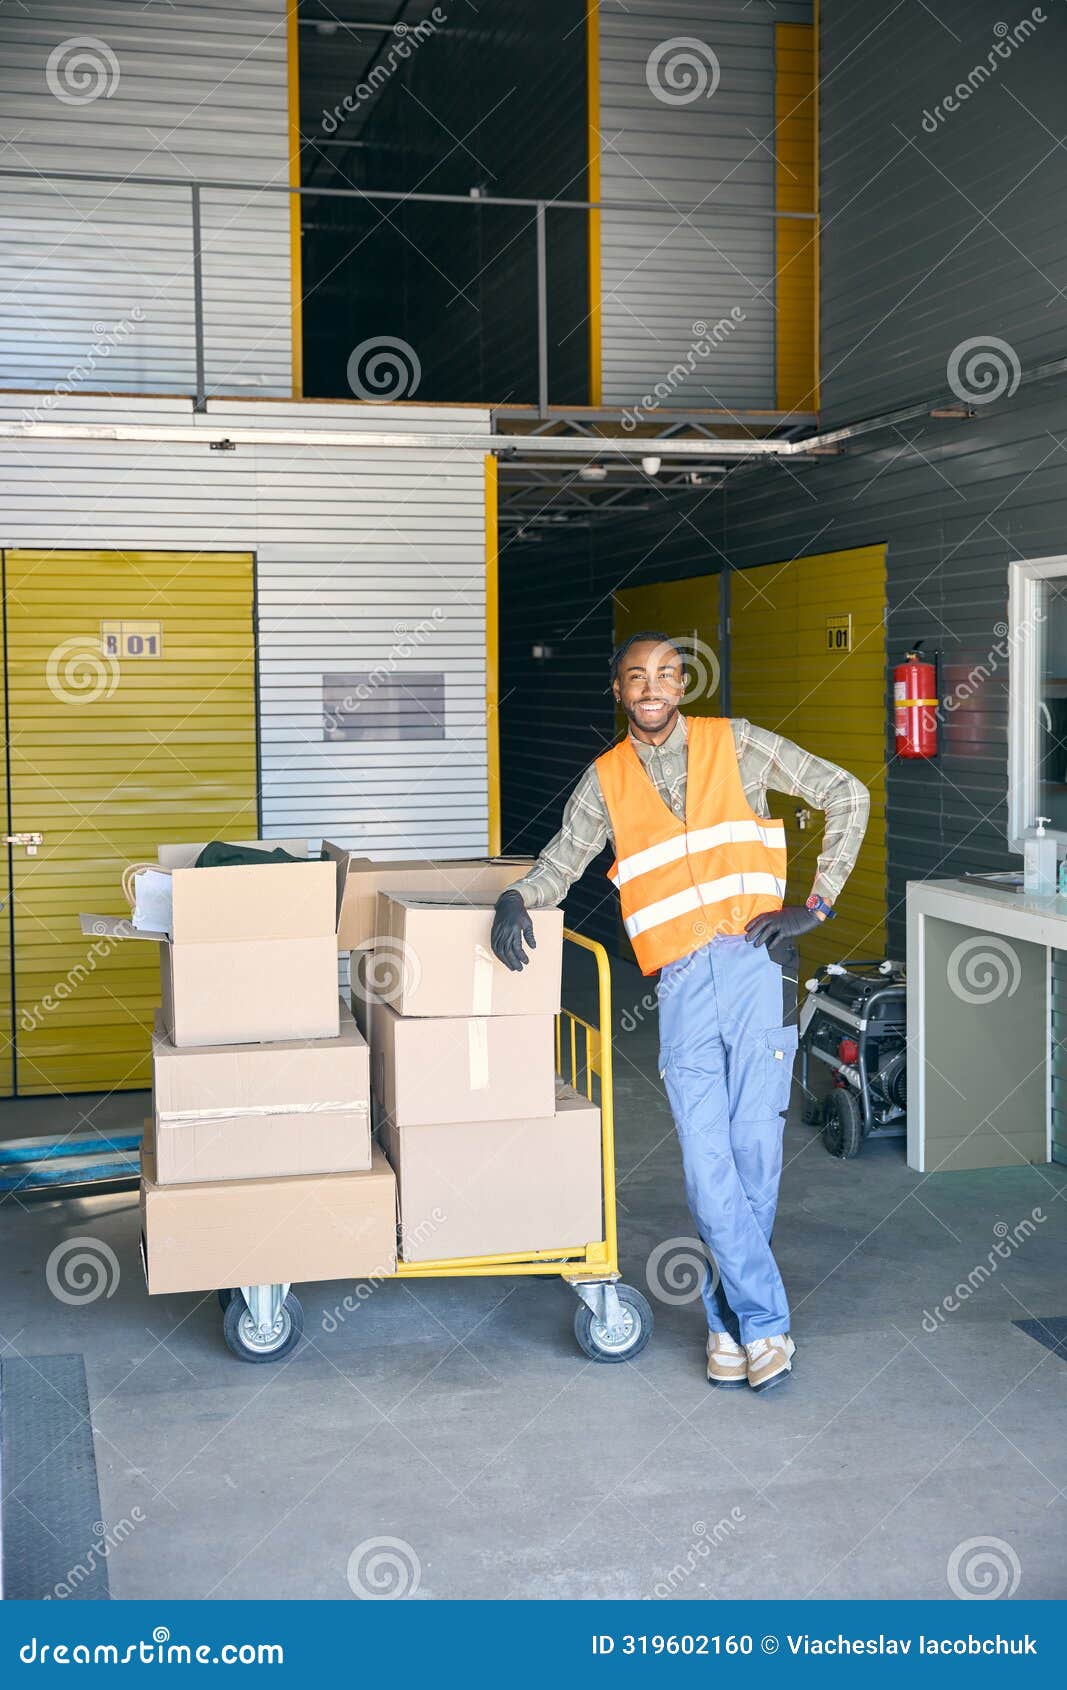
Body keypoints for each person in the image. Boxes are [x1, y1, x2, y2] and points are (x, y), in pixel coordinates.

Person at [490, 632, 869, 1393]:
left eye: (665, 674)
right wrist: (514, 896)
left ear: (682, 684)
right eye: (637, 677)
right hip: (681, 984)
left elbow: (846, 792)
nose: (651, 687)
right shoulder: (605, 781)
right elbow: (561, 864)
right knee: (706, 1163)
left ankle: (734, 1327)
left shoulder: (741, 744)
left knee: (753, 1154)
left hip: (756, 966)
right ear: (619, 690)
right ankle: (758, 1322)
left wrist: (815, 906)